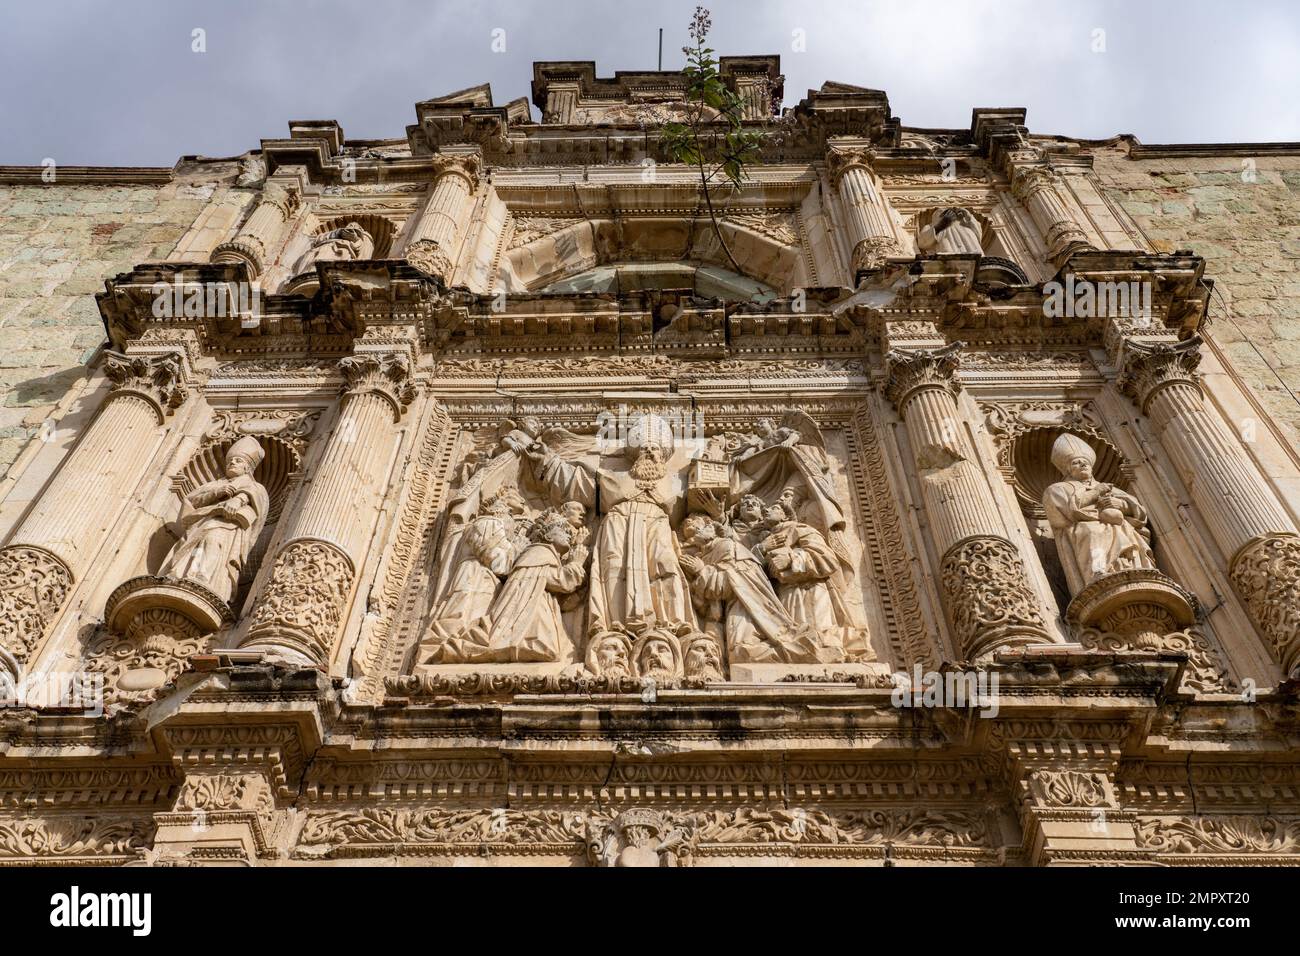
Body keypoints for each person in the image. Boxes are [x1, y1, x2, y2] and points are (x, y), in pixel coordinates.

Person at [160, 436, 269, 605]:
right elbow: (191, 500)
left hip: (228, 529)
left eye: (238, 461)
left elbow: (258, 502)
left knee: (212, 540)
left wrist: (239, 499)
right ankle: (181, 575)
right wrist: (216, 493)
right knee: (193, 542)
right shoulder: (215, 484)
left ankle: (203, 580)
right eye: (230, 461)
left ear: (247, 467)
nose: (232, 463)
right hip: (201, 523)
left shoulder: (256, 487)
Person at [1042, 432, 1155, 594]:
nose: (1082, 465)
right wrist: (1095, 493)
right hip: (1083, 530)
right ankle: (1099, 572)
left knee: (1126, 531)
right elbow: (1066, 513)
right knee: (1091, 531)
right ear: (1068, 470)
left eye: (1085, 462)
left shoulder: (1109, 487)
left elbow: (1139, 512)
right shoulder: (1057, 489)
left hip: (1119, 524)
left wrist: (1120, 504)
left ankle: (1132, 567)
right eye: (1076, 463)